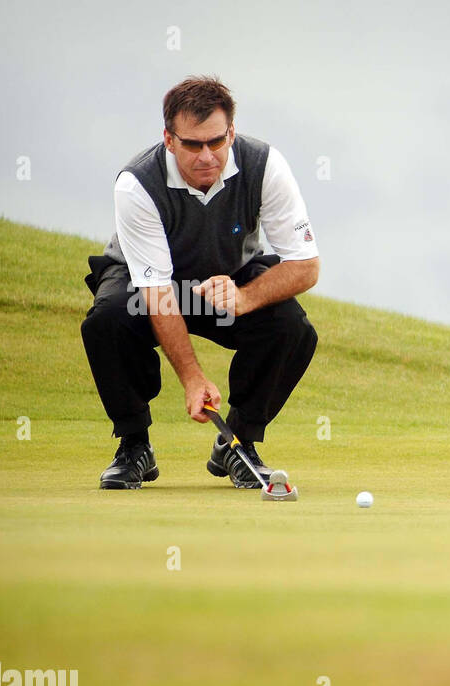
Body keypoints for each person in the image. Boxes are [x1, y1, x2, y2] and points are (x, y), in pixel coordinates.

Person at [81, 75, 320, 489]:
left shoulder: (265, 166)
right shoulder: (137, 183)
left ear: (231, 132)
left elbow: (305, 266)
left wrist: (245, 298)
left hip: (229, 279)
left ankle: (238, 444)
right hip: (149, 284)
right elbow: (156, 292)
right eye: (192, 144)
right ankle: (134, 446)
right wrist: (192, 379)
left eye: (216, 141)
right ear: (169, 139)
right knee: (108, 320)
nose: (207, 155)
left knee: (292, 328)